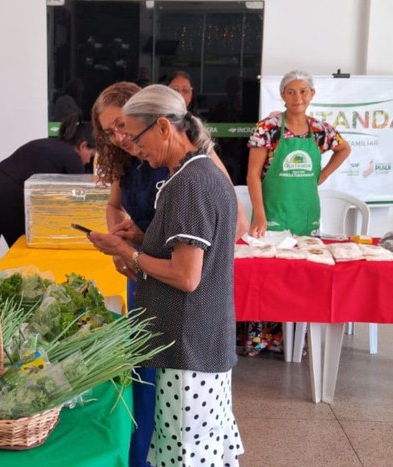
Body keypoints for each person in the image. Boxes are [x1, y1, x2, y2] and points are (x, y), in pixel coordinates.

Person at [91, 81, 248, 467]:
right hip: (200, 337)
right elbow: (198, 247)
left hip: (186, 344)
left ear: (163, 127)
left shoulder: (187, 185)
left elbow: (186, 276)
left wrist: (129, 251)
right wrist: (146, 237)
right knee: (203, 444)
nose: (131, 144)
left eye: (133, 133)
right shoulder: (201, 173)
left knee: (185, 451)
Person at [241, 70, 351, 356]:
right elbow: (253, 175)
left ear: (312, 95)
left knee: (301, 279)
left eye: (303, 91)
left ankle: (297, 340)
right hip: (273, 212)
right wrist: (260, 216)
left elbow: (343, 149)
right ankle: (263, 340)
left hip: (306, 214)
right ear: (282, 95)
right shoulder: (269, 127)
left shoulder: (319, 129)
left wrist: (323, 175)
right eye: (291, 91)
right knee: (268, 277)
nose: (297, 97)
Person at [0, 113, 94, 253]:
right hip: (6, 198)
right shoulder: (72, 157)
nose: (89, 161)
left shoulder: (46, 143)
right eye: (91, 154)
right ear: (83, 145)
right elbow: (82, 201)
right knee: (25, 254)